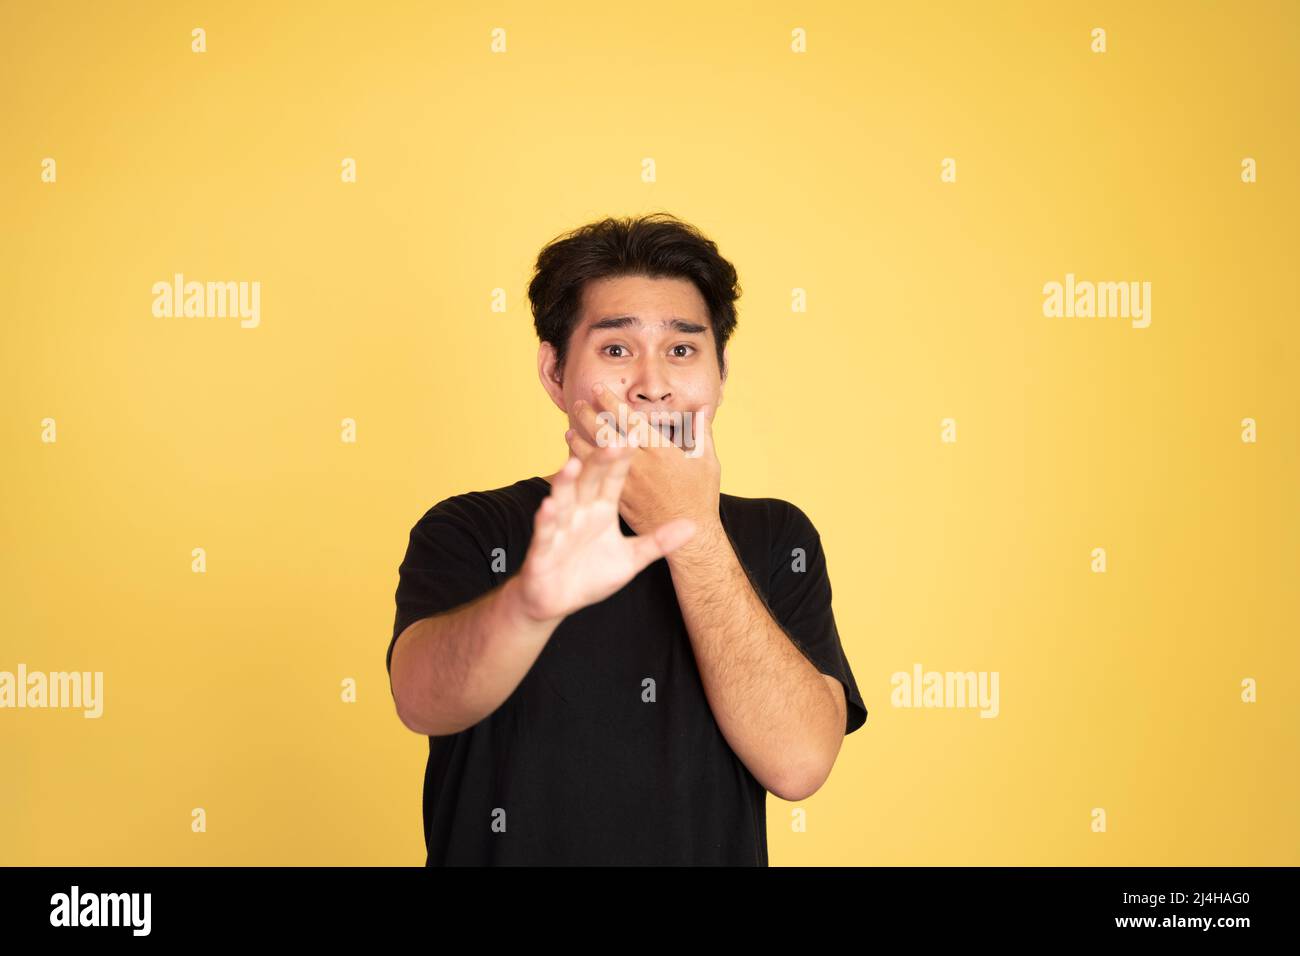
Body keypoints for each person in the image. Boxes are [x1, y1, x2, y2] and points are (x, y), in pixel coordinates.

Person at [386, 212, 867, 865]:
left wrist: (693, 533)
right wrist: (531, 602)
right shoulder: (472, 528)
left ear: (720, 372)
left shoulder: (777, 536)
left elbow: (800, 763)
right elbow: (421, 701)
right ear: (554, 372)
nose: (652, 383)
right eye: (616, 349)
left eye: (681, 348)